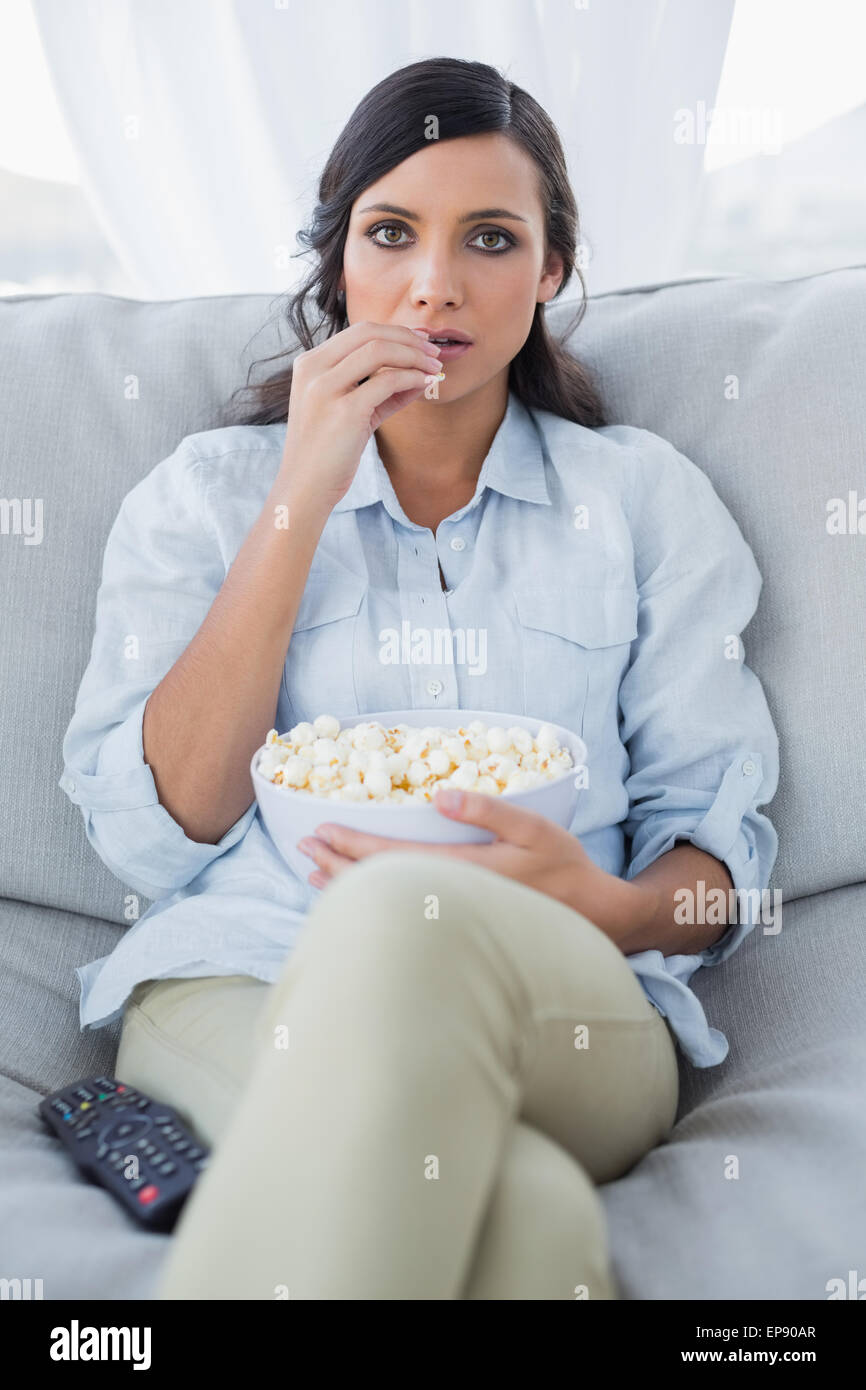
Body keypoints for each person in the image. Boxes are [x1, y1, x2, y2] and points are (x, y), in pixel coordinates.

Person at [59, 56, 779, 1300]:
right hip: (244, 978)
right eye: (390, 233)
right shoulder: (202, 497)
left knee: (403, 917)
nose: (434, 285)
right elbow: (159, 833)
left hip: (559, 989)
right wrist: (297, 498)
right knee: (527, 1224)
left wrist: (605, 909)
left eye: (490, 239)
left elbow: (722, 872)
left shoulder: (643, 501)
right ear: (339, 257)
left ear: (551, 269)